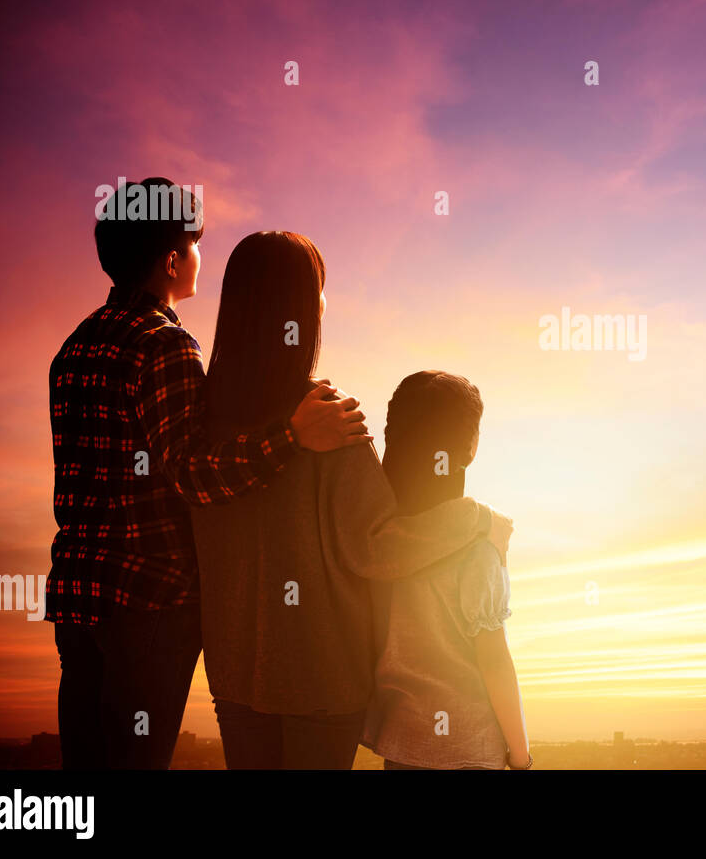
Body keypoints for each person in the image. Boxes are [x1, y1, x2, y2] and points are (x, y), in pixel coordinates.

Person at [49, 179, 367, 769]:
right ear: (172, 261)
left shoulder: (72, 349)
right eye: (194, 245)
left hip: (75, 594)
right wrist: (292, 435)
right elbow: (193, 473)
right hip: (149, 598)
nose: (201, 257)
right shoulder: (165, 345)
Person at [190, 232, 513, 769]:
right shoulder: (329, 420)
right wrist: (475, 521)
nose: (323, 302)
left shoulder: (202, 423)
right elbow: (376, 549)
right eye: (319, 289)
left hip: (233, 671)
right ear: (297, 309)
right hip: (321, 677)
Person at [364, 371, 530, 770]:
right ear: (470, 447)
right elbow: (494, 661)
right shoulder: (477, 548)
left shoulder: (381, 538)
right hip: (469, 749)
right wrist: (522, 756)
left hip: (403, 745)